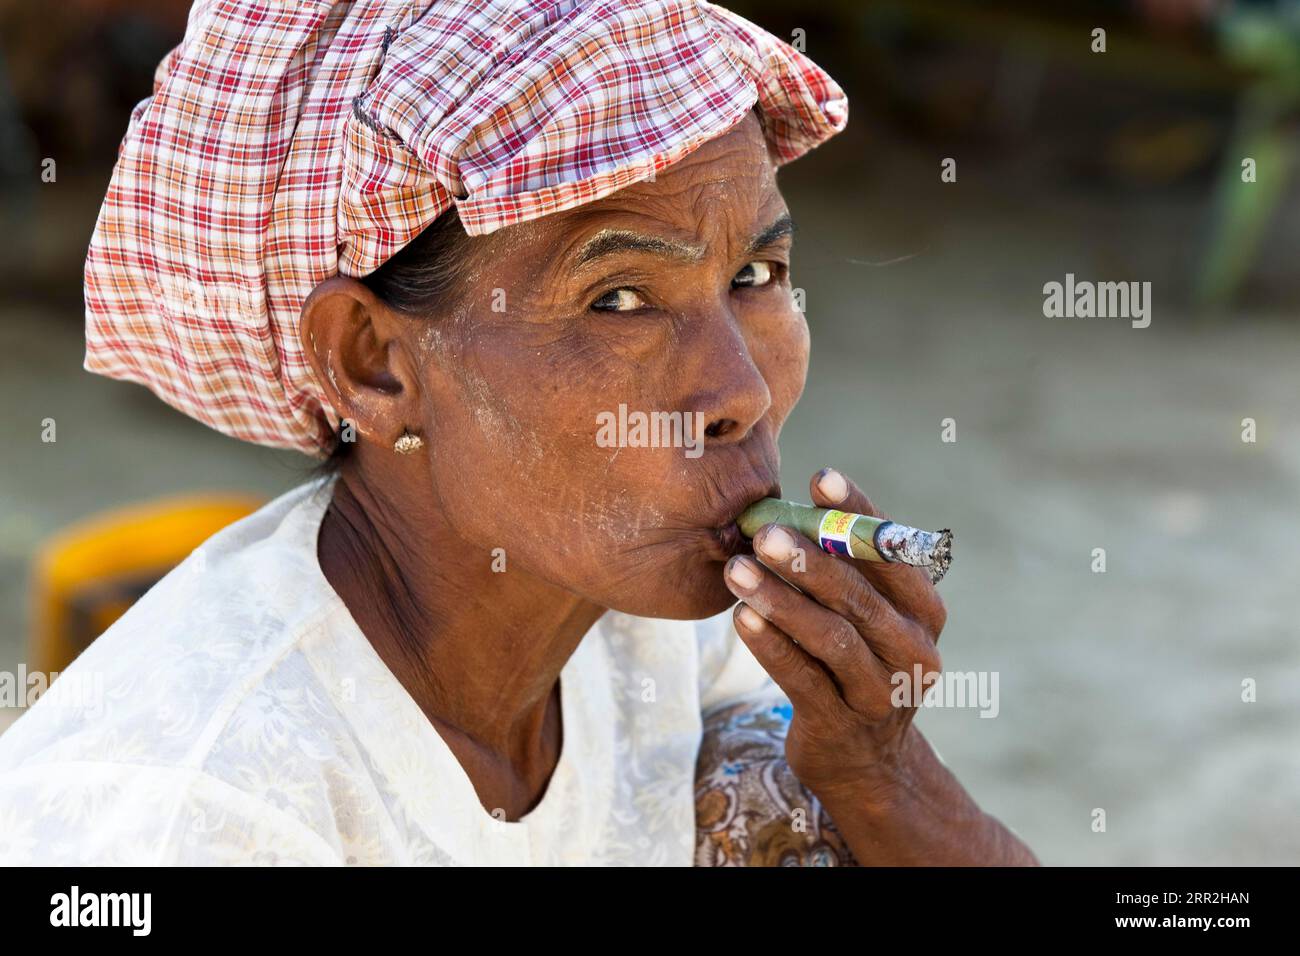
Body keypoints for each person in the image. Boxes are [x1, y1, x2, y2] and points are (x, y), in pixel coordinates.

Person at [0, 0, 1036, 865]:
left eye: (753, 276)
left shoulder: (660, 631)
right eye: (620, 297)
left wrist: (886, 776)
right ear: (375, 363)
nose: (740, 390)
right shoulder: (187, 815)